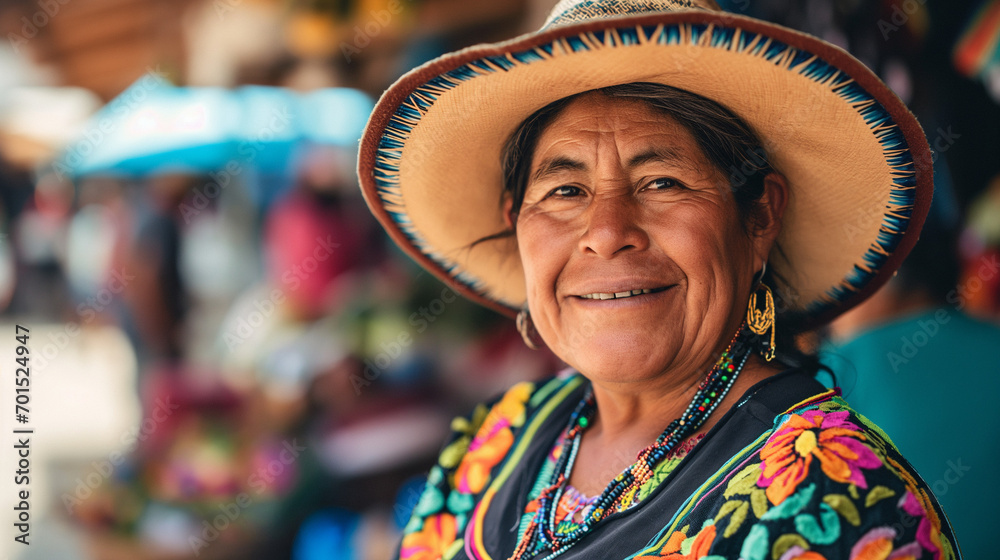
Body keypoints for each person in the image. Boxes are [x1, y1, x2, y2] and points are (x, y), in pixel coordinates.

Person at [355, 0, 961, 558]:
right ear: (517, 227)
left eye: (661, 183)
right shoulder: (498, 438)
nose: (608, 230)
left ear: (758, 216)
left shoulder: (835, 496)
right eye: (565, 191)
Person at [822, 219, 1000, 558]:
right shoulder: (993, 342)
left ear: (879, 279)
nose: (829, 312)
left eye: (838, 280)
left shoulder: (838, 371)